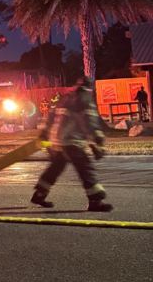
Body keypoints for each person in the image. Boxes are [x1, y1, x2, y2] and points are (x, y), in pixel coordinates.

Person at [31, 76, 113, 212]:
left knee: (54, 170)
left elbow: (50, 119)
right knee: (86, 171)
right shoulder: (85, 99)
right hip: (73, 143)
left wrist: (44, 136)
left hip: (56, 143)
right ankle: (95, 201)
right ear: (90, 88)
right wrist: (99, 144)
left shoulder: (64, 98)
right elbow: (91, 123)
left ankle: (39, 194)